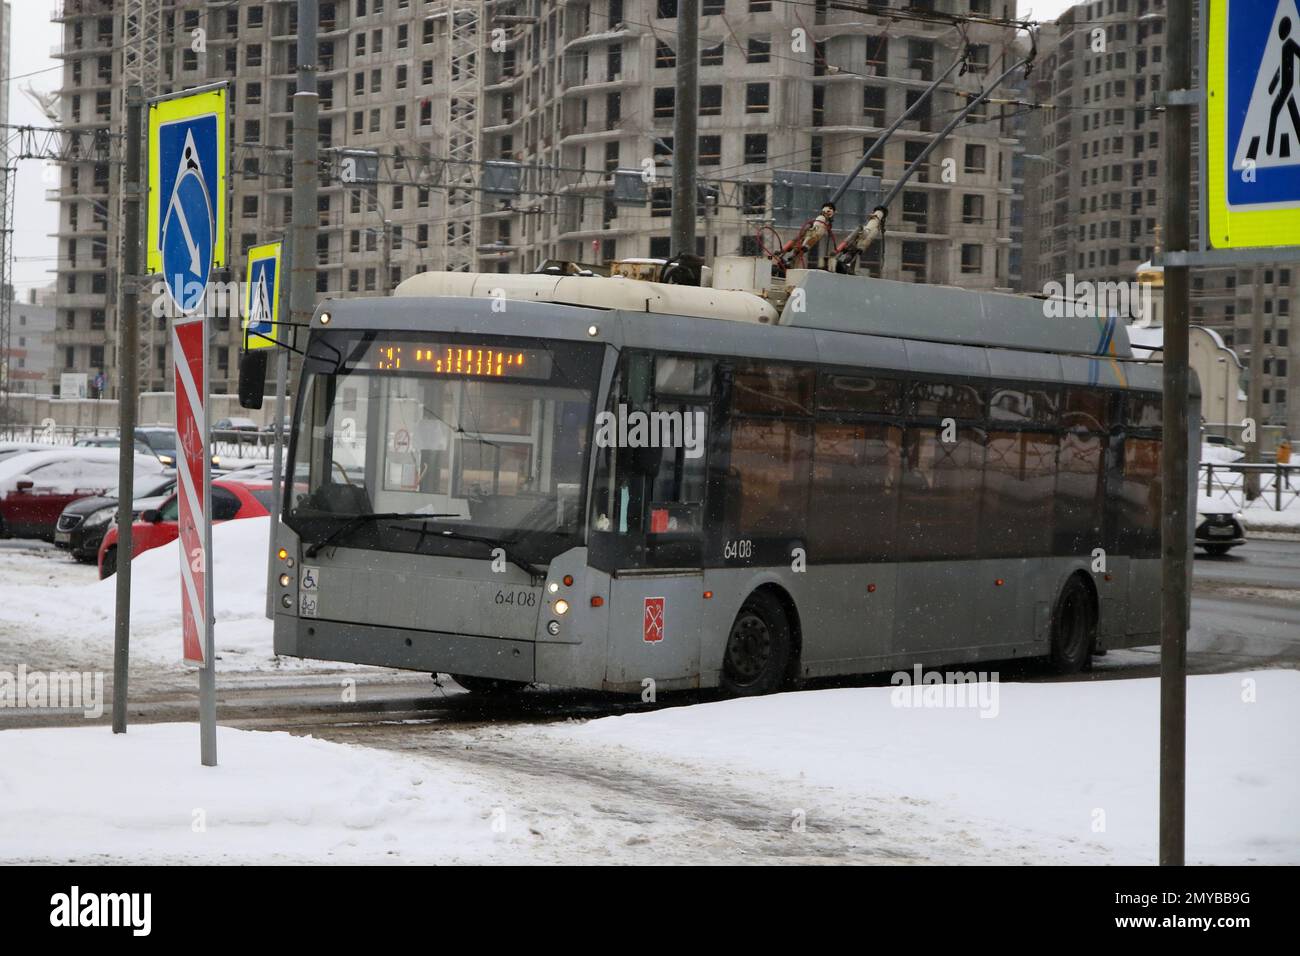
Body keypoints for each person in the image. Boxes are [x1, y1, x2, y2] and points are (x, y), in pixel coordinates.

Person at [1267, 16, 1300, 157]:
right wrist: (1272, 85)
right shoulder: (1285, 46)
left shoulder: (1291, 44)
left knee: (1274, 110)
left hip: (1288, 86)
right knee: (1294, 113)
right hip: (1287, 85)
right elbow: (1281, 68)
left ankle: (1268, 149)